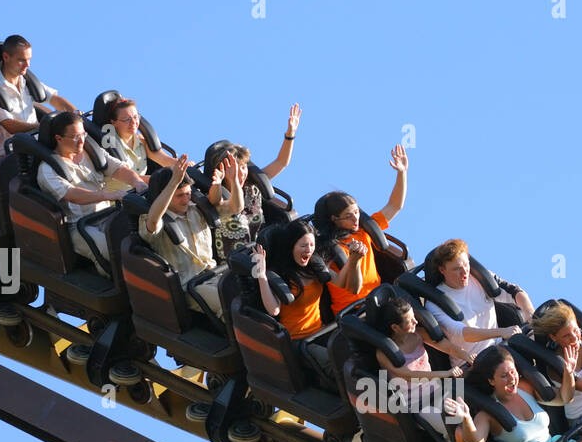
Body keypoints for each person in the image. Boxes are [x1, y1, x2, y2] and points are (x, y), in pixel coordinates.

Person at [445, 344, 576, 442]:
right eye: (504, 375)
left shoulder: (525, 387)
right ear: (491, 381)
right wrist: (466, 418)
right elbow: (474, 441)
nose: (512, 378)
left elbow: (564, 398)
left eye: (513, 371)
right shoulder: (489, 414)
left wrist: (569, 373)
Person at [36, 111, 147, 277]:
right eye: (75, 137)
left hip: (108, 214)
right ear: (59, 138)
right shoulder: (47, 170)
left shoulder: (90, 151)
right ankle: (117, 287)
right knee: (108, 248)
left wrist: (137, 182)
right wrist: (109, 195)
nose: (81, 140)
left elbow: (118, 168)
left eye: (83, 134)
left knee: (144, 235)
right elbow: (72, 194)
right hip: (81, 225)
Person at [314, 144, 409, 317]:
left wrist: (401, 173)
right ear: (335, 219)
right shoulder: (330, 248)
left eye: (357, 212)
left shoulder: (363, 231)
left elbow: (395, 206)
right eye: (349, 216)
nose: (355, 218)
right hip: (353, 310)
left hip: (379, 298)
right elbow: (351, 287)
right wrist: (354, 260)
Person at [246, 218, 337, 388]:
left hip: (320, 332)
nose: (308, 250)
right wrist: (262, 276)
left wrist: (353, 259)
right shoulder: (282, 276)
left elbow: (345, 284)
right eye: (303, 246)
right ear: (291, 247)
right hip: (298, 343)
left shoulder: (314, 267)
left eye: (311, 245)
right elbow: (273, 310)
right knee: (338, 364)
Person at [204, 104, 300, 257]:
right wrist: (230, 181)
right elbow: (223, 203)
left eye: (243, 167)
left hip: (262, 249)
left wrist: (290, 134)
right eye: (235, 169)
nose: (241, 173)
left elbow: (281, 162)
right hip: (237, 260)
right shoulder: (218, 190)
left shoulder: (251, 186)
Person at [426, 238, 535, 368]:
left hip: (501, 350)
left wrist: (530, 314)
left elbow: (514, 292)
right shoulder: (435, 302)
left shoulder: (480, 278)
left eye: (466, 265)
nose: (464, 272)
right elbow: (461, 333)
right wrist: (501, 332)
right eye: (456, 269)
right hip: (471, 365)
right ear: (442, 270)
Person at [140, 154, 227, 317]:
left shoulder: (197, 210)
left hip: (216, 274)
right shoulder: (154, 218)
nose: (186, 199)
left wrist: (233, 181)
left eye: (188, 194)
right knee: (229, 304)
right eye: (179, 195)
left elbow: (234, 208)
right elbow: (153, 220)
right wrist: (173, 182)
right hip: (191, 287)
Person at [370, 296, 467, 441]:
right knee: (454, 427)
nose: (416, 321)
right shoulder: (384, 353)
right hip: (418, 405)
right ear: (395, 327)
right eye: (410, 321)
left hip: (438, 391)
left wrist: (468, 356)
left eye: (414, 317)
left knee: (469, 412)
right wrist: (445, 374)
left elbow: (446, 346)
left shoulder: (418, 334)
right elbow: (408, 375)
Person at [0, 35, 76, 162]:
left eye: (29, 59)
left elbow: (54, 99)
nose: (27, 65)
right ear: (6, 57)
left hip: (35, 145)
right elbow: (9, 125)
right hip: (8, 154)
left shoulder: (27, 81)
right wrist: (42, 127)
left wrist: (75, 115)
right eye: (21, 60)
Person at [98, 96, 176, 190]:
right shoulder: (109, 145)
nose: (133, 123)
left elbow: (163, 159)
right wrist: (158, 179)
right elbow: (126, 175)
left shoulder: (142, 140)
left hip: (142, 193)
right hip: (120, 199)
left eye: (135, 117)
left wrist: (184, 165)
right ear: (114, 123)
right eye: (126, 119)